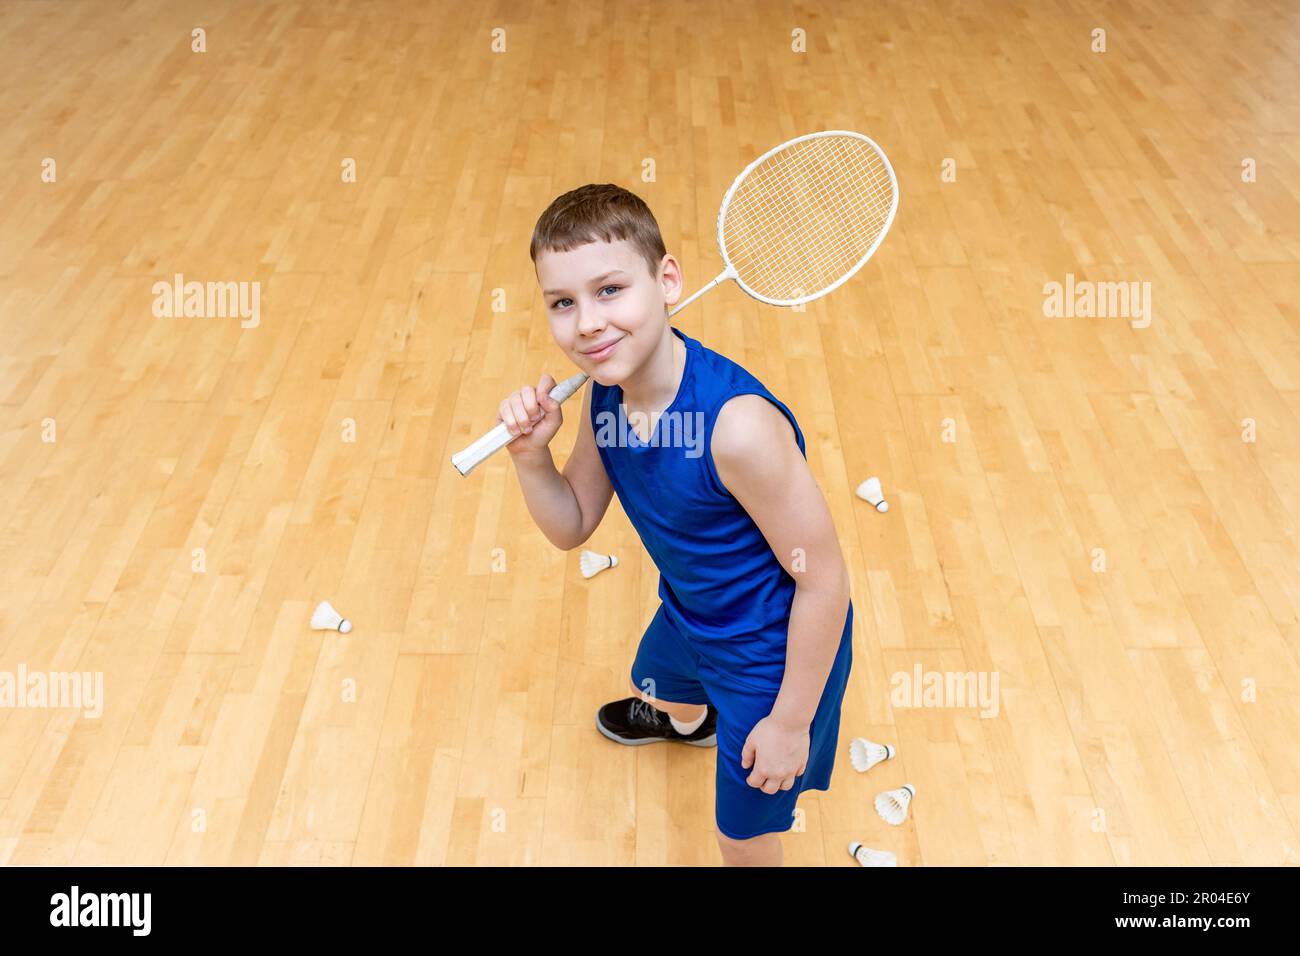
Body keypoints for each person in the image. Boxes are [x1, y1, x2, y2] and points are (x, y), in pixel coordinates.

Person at [497, 183, 854, 867]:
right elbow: (572, 524)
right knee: (655, 685)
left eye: (609, 291)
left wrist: (789, 721)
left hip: (769, 655)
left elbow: (826, 580)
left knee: (740, 835)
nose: (588, 324)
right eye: (563, 304)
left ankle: (744, 735)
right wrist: (529, 456)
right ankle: (690, 727)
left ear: (667, 281)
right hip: (693, 612)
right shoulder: (607, 396)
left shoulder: (738, 430)